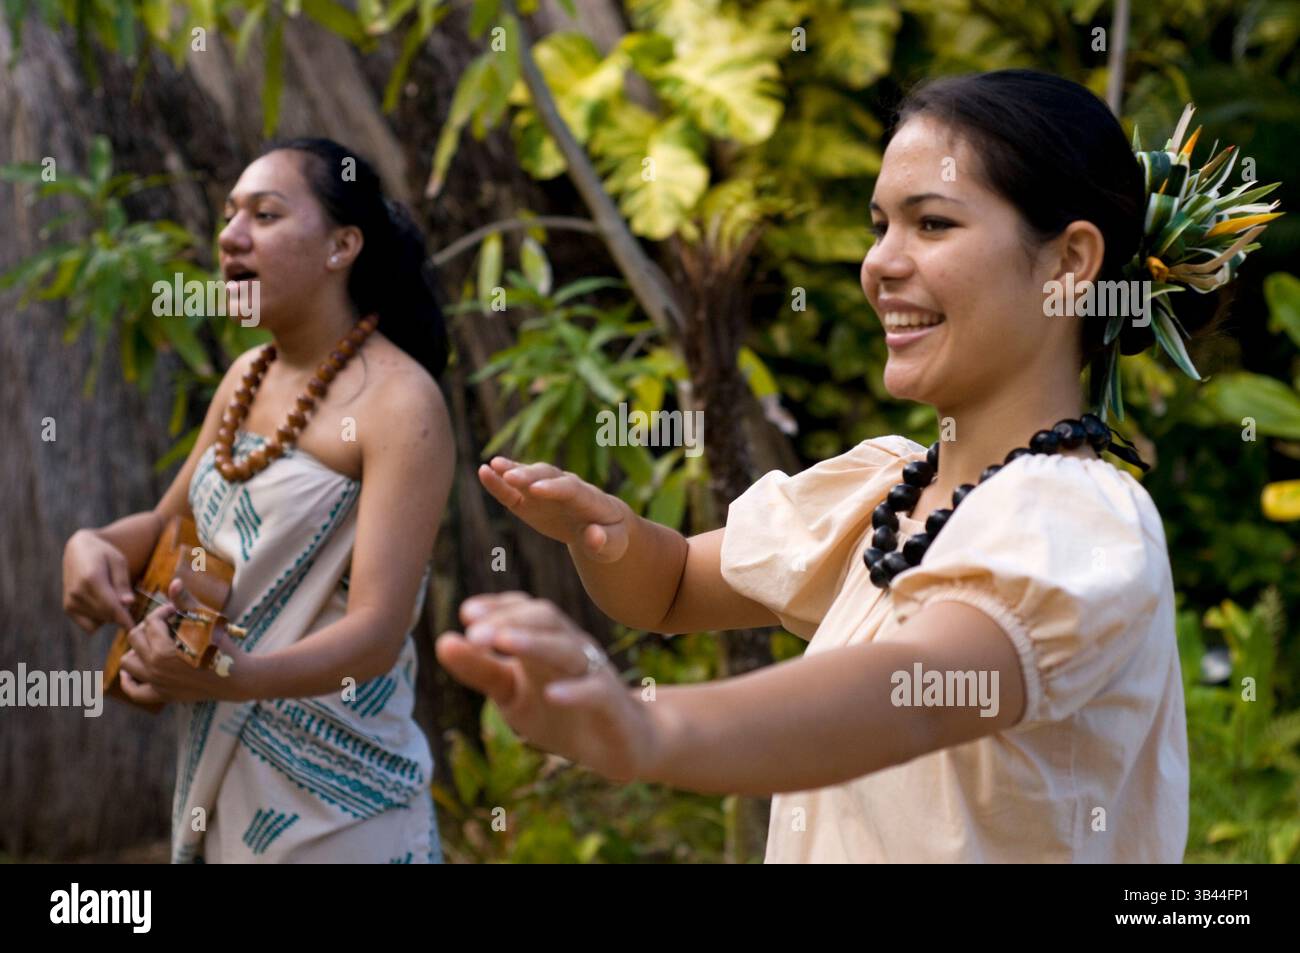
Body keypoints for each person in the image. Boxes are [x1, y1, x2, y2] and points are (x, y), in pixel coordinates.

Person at [435, 70, 1277, 862]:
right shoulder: (888, 488)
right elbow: (669, 590)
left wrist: (647, 728)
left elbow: (911, 695)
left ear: (1069, 263)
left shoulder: (1080, 520)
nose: (880, 263)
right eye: (881, 226)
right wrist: (607, 534)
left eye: (933, 223)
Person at [61, 138, 454, 863]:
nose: (230, 236)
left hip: (344, 806)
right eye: (229, 215)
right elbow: (167, 525)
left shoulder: (403, 404)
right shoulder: (247, 374)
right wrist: (93, 545)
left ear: (343, 245)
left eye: (265, 215)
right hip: (228, 790)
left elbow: (375, 633)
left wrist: (234, 678)